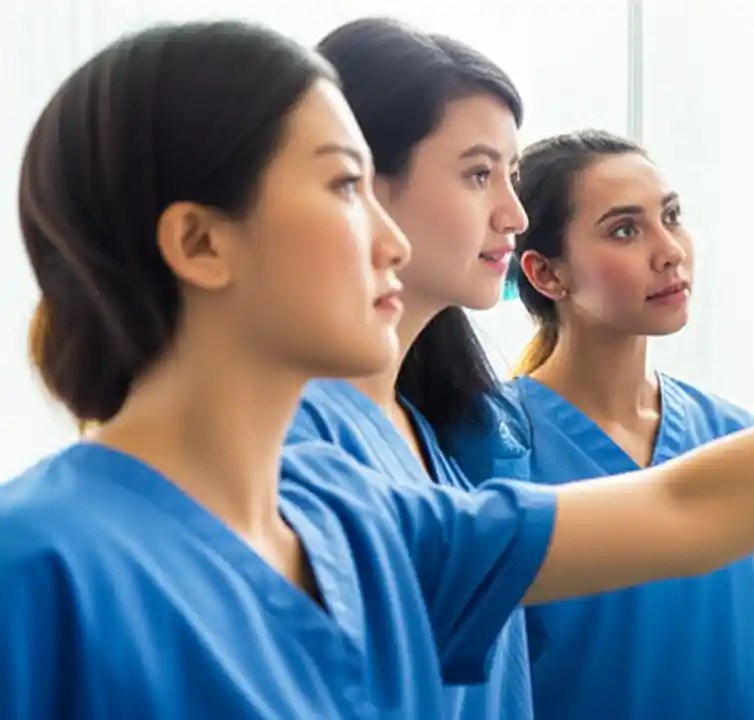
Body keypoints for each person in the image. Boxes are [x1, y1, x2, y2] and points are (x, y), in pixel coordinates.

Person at [0, 18, 754, 720]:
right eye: (344, 185)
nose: (394, 239)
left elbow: (689, 505)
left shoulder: (361, 519)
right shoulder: (45, 567)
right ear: (199, 240)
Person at [444, 129, 754, 720]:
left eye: (671, 216)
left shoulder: (736, 438)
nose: (669, 249)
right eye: (625, 229)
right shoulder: (483, 449)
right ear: (545, 275)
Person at [284, 19, 536, 720]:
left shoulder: (438, 439)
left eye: (510, 176)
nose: (515, 214)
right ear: (355, 182)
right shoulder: (297, 439)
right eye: (479, 174)